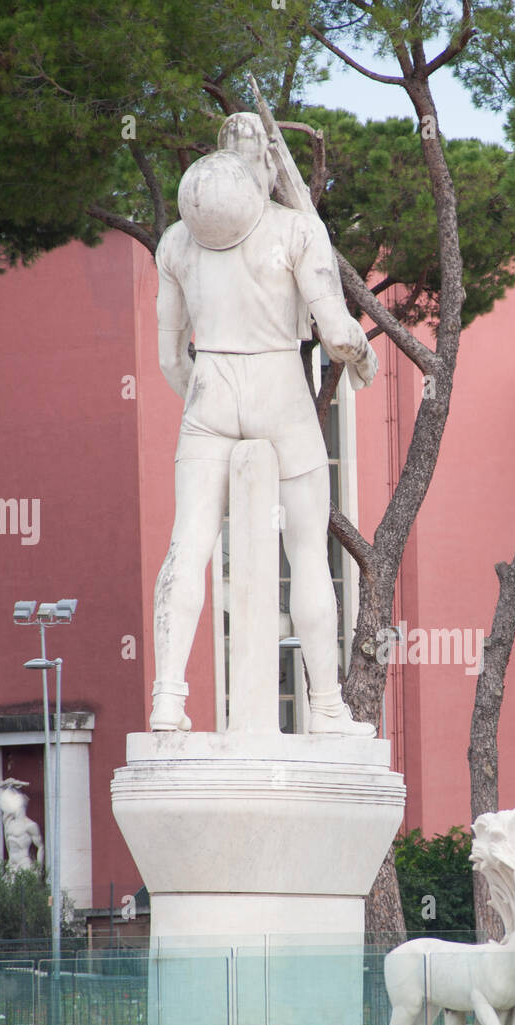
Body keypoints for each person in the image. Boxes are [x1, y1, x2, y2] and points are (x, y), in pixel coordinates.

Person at [151, 112, 378, 736]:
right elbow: (334, 332)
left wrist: (202, 405)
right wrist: (362, 353)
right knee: (307, 552)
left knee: (188, 547)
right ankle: (327, 706)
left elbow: (170, 357)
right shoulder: (299, 230)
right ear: (269, 165)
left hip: (210, 392)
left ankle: (168, 698)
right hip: (281, 390)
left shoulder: (176, 242)